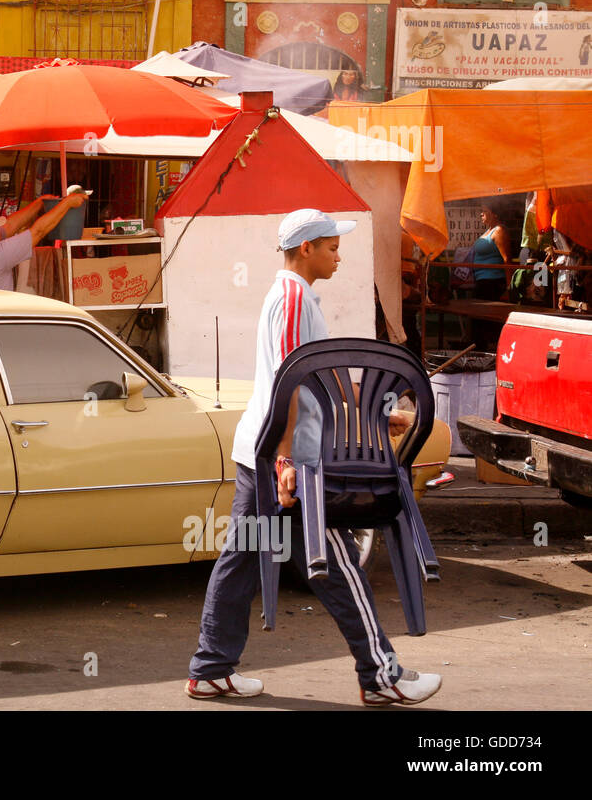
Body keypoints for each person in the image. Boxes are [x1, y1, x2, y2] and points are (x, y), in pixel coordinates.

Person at [187, 208, 440, 707]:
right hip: (289, 456)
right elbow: (292, 380)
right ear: (306, 248)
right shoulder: (294, 295)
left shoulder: (290, 295)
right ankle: (381, 675)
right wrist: (286, 462)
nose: (338, 255)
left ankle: (211, 669)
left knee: (242, 559)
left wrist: (365, 414)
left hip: (261, 450)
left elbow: (313, 377)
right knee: (338, 560)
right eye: (331, 246)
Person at [0, 192, 88, 291]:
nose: (2, 230)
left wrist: (39, 202)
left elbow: (10, 226)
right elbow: (38, 231)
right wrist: (67, 203)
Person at [472, 201, 510, 302]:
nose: (481, 214)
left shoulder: (499, 231)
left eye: (484, 211)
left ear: (494, 214)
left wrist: (509, 288)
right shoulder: (488, 231)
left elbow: (507, 259)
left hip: (492, 282)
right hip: (481, 280)